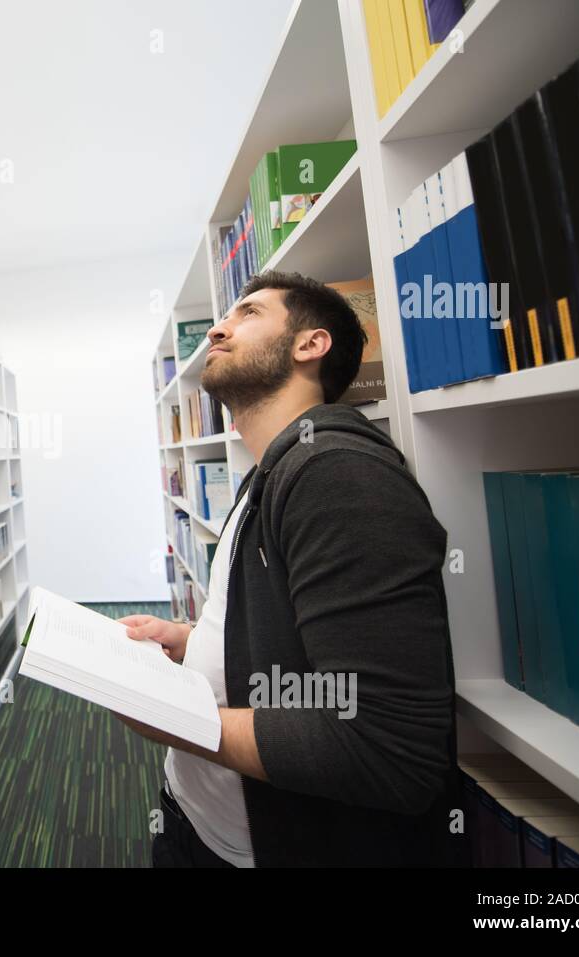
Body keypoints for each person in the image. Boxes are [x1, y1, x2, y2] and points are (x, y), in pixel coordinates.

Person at [119, 270, 458, 867]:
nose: (218, 330)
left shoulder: (337, 476)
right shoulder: (273, 470)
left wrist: (178, 719)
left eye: (248, 314)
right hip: (198, 821)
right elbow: (295, 636)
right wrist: (193, 641)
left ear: (310, 344)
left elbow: (388, 748)